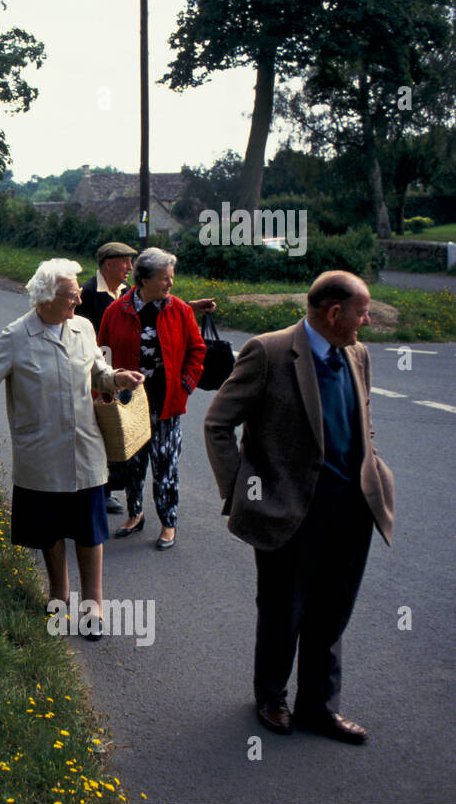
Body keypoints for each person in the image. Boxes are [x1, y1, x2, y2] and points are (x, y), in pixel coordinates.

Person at [204, 272, 394, 744]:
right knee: (282, 611)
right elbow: (217, 425)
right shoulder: (268, 352)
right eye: (362, 312)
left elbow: (361, 420)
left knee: (332, 613)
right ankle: (271, 696)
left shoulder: (358, 353)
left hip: (353, 508)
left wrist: (373, 466)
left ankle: (319, 708)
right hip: (288, 511)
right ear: (334, 313)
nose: (366, 321)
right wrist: (246, 493)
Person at [0, 258, 144, 639]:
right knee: (51, 532)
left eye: (78, 295)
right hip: (41, 454)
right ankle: (58, 596)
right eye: (70, 297)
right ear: (44, 299)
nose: (77, 302)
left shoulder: (83, 327)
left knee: (91, 531)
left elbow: (97, 373)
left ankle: (94, 605)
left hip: (85, 448)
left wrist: (116, 377)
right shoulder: (15, 337)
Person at [98, 247, 206, 550]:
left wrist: (184, 385)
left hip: (166, 404)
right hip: (130, 405)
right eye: (164, 278)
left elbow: (197, 351)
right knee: (132, 463)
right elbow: (102, 353)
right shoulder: (116, 311)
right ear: (144, 279)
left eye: (171, 278)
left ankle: (168, 523)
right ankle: (135, 514)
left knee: (165, 465)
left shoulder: (180, 310)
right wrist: (106, 390)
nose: (170, 284)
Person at [78, 241, 138, 514]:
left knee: (116, 431)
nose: (130, 268)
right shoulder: (89, 293)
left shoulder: (126, 292)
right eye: (125, 262)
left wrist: (192, 306)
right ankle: (97, 491)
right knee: (97, 431)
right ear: (109, 264)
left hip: (119, 375)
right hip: (95, 375)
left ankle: (107, 489)